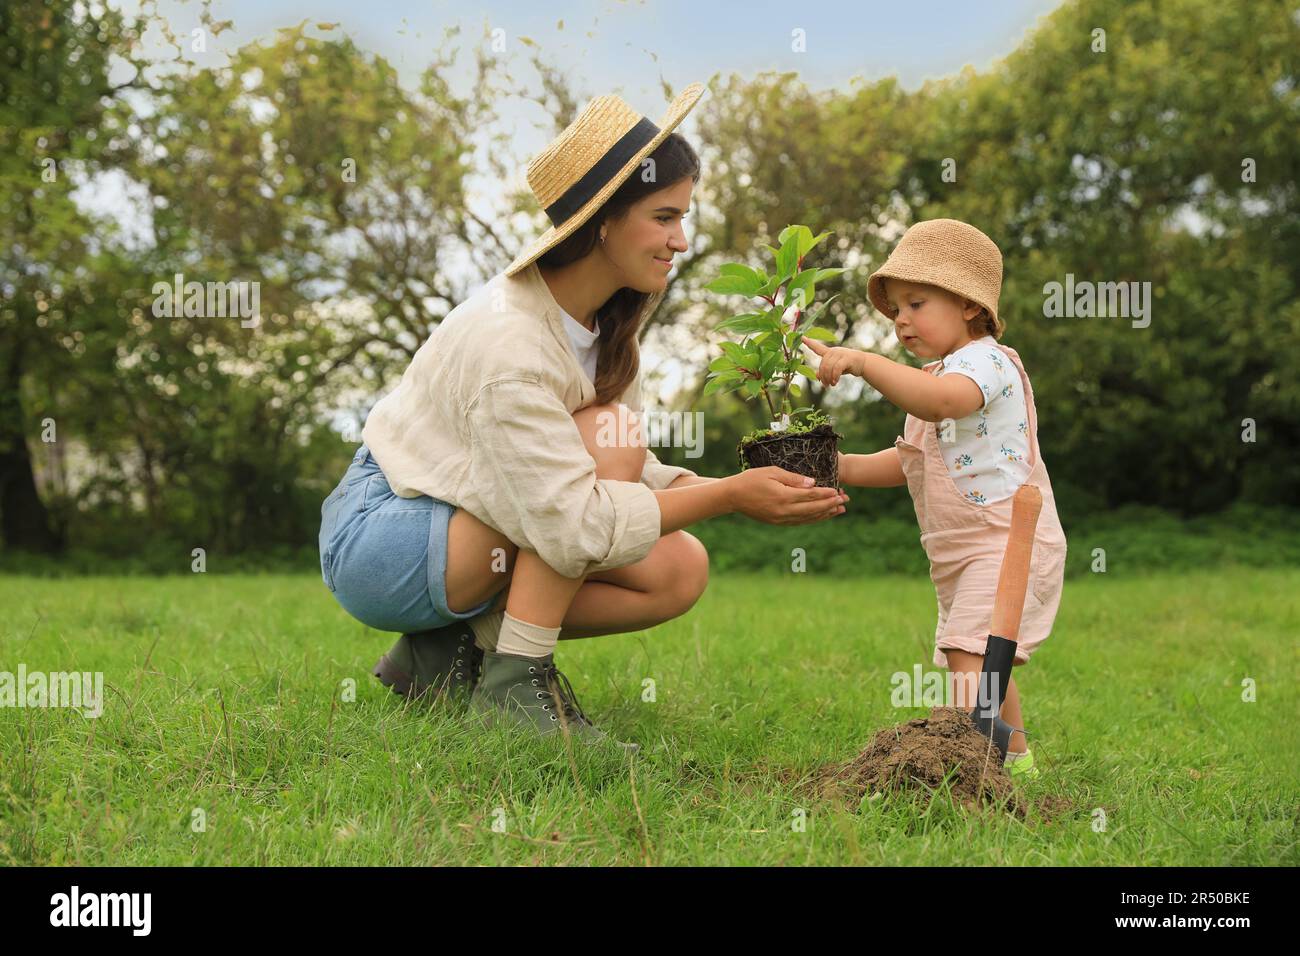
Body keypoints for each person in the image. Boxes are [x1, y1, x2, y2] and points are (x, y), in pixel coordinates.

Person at [318, 83, 848, 753]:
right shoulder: (510, 341)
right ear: (602, 222)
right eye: (663, 217)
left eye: (683, 218)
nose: (680, 240)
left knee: (678, 567)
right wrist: (728, 495)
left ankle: (448, 655)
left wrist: (741, 493)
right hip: (385, 537)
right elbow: (573, 524)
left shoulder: (605, 325)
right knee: (605, 444)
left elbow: (629, 471)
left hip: (465, 526)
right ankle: (515, 682)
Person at [803, 218, 1066, 779]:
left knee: (970, 655)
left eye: (916, 303)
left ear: (969, 306)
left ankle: (969, 763)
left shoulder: (986, 363)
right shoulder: (936, 375)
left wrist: (864, 362)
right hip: (957, 550)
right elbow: (909, 462)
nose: (901, 319)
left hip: (1006, 541)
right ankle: (1014, 763)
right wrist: (836, 467)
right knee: (974, 654)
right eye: (896, 307)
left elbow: (943, 403)